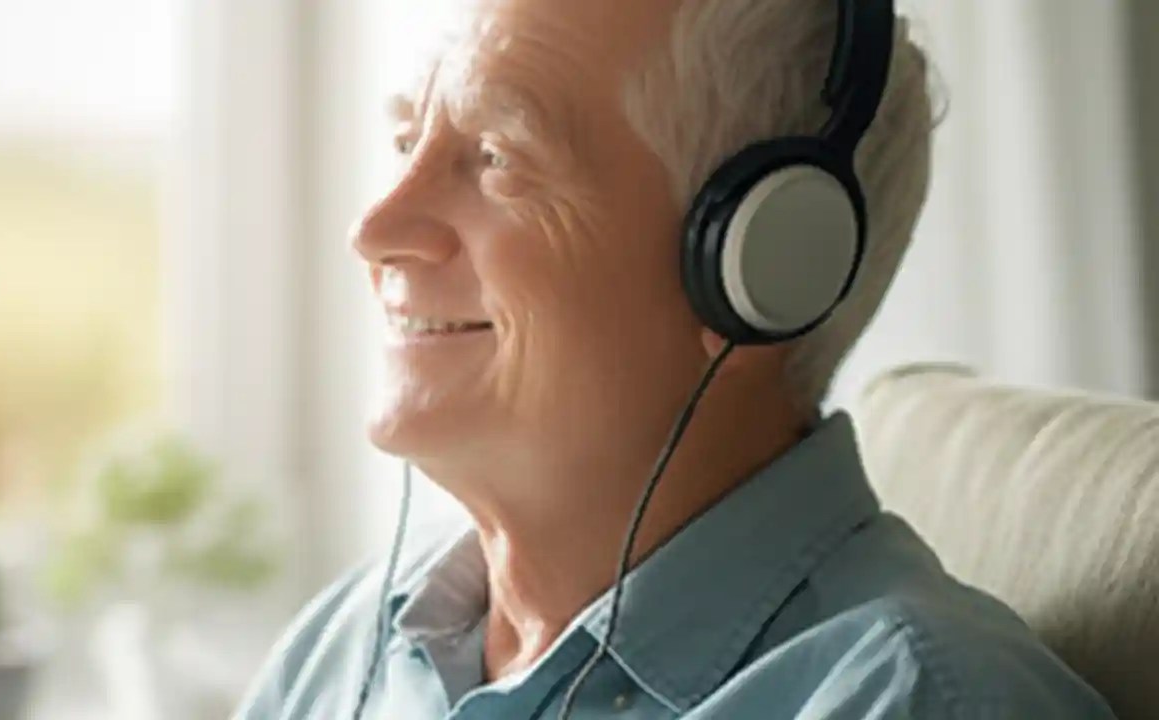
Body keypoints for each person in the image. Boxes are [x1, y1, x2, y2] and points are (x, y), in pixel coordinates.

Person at [237, 0, 1117, 717]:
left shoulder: (912, 700)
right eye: (405, 145)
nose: (375, 231)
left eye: (497, 158)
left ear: (758, 268)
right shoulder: (348, 647)